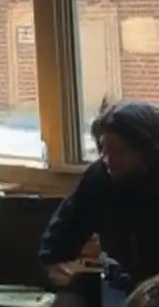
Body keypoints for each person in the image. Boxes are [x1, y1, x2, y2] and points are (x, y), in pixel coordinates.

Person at [41, 101, 159, 299]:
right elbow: (65, 230)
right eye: (104, 150)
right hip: (118, 284)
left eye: (119, 153)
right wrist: (53, 261)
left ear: (146, 152)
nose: (107, 160)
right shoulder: (99, 177)